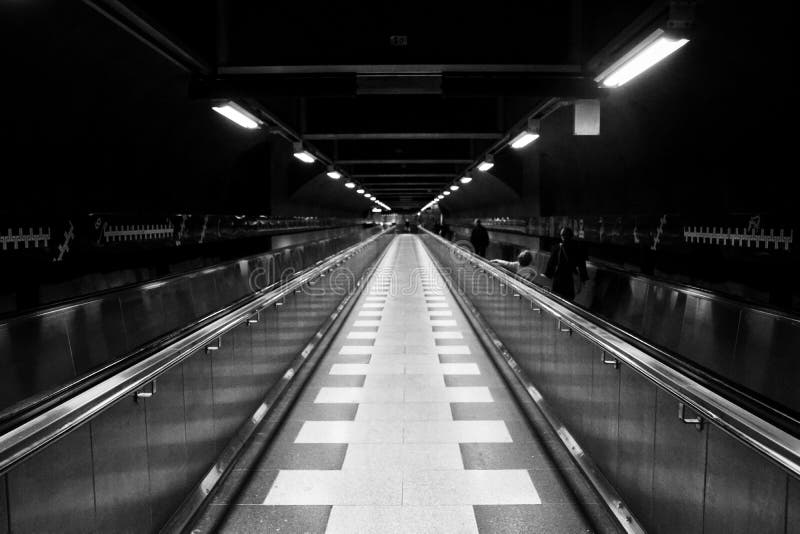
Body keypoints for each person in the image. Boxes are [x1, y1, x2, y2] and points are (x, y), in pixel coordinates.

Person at [544, 227, 588, 300]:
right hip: (569, 279)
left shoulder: (558, 248)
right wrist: (583, 278)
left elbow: (551, 263)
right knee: (568, 299)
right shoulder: (577, 248)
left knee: (556, 298)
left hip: (559, 279)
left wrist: (548, 274)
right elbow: (582, 265)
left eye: (562, 235)